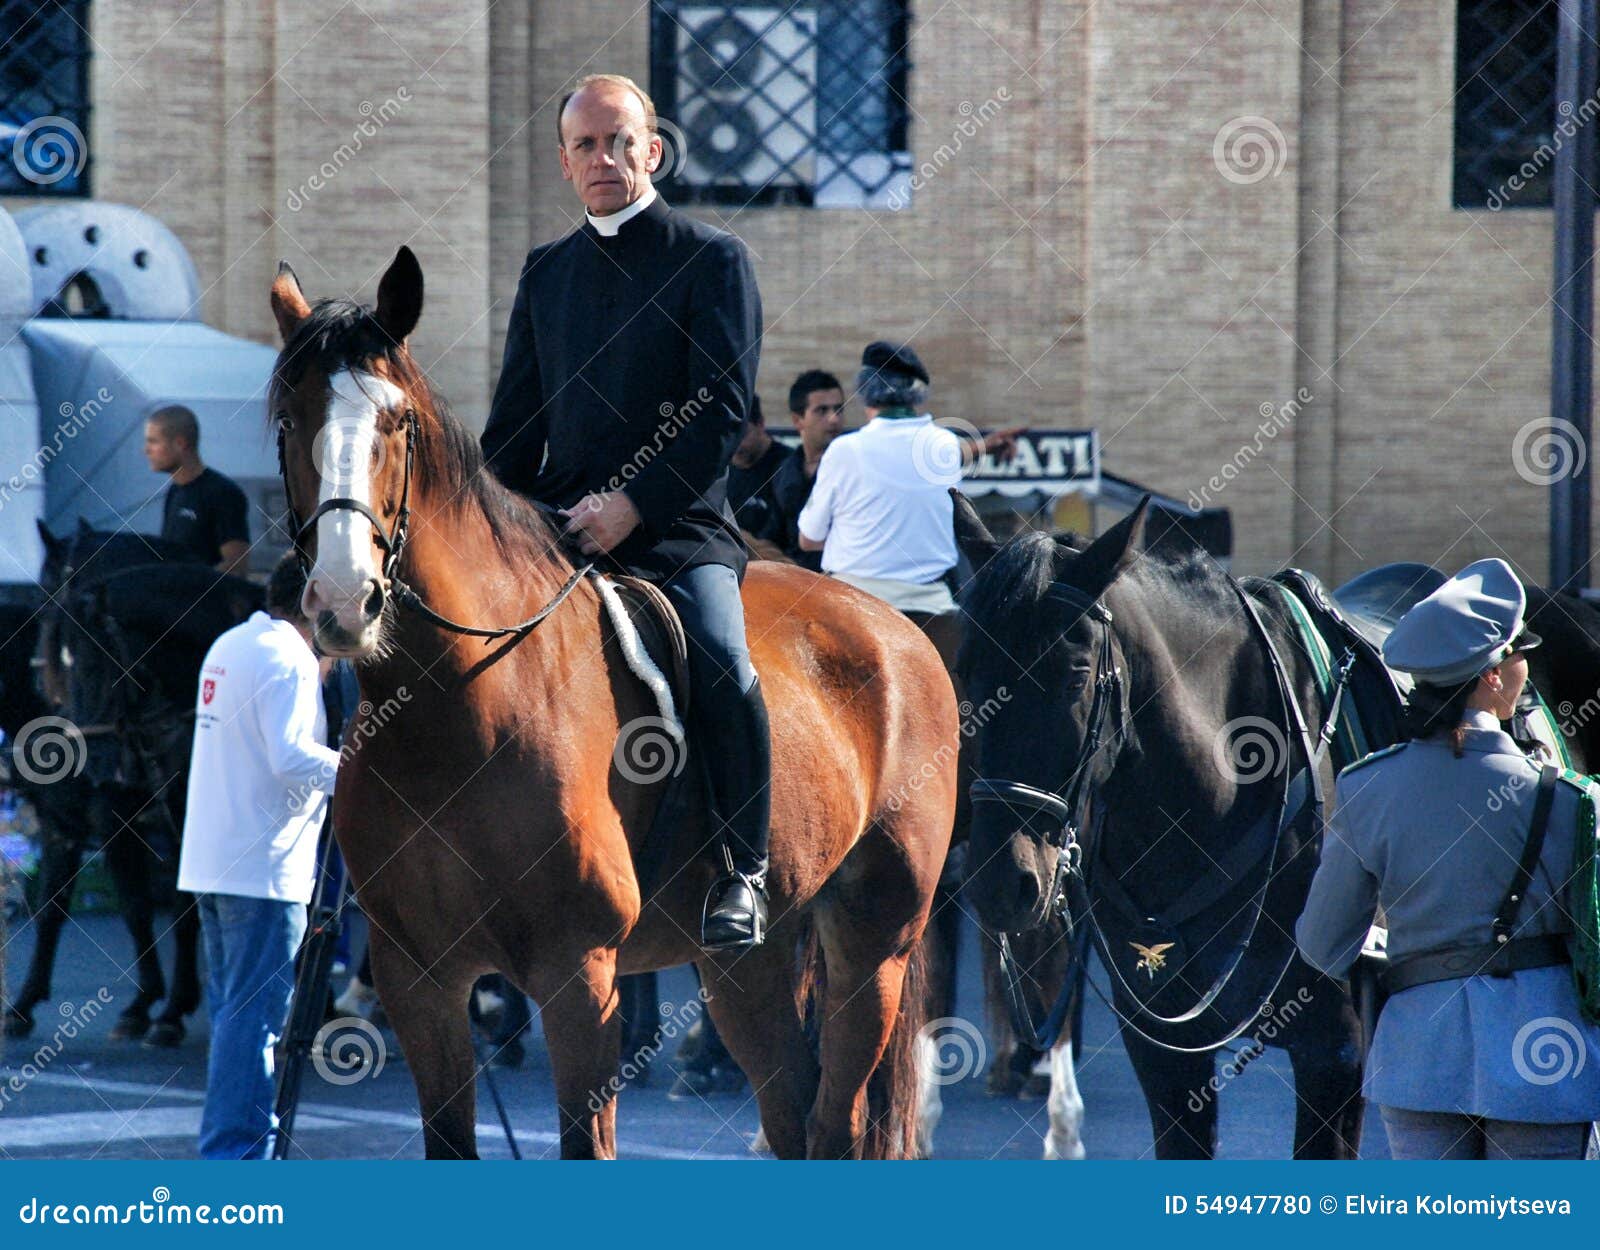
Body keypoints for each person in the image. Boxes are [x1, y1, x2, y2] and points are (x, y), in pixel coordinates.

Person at [480, 73, 769, 949]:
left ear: (652, 149)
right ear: (564, 163)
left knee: (721, 658)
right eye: (584, 146)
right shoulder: (546, 272)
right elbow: (514, 427)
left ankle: (743, 872)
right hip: (560, 537)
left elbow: (722, 411)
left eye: (618, 141)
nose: (602, 158)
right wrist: (499, 517)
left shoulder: (712, 258)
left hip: (679, 533)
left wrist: (634, 505)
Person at [1295, 557, 1600, 1160]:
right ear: (1491, 678)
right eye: (1520, 655)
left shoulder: (1365, 788)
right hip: (1545, 1058)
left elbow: (1321, 943)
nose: (1526, 669)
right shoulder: (1572, 799)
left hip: (1420, 1059)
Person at [177, 553, 341, 1159]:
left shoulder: (230, 644)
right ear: (315, 601)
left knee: (233, 1017)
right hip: (264, 869)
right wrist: (360, 774)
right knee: (256, 1023)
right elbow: (291, 755)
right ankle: (237, 1159)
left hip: (213, 860)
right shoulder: (292, 657)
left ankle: (231, 1151)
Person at [797, 341, 1020, 615]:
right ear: (918, 394)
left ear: (865, 392)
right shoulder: (944, 445)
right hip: (932, 602)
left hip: (853, 602)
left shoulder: (844, 449)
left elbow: (809, 539)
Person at [145, 404, 251, 573]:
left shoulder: (222, 493)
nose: (146, 450)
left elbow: (236, 566)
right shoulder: (174, 491)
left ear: (180, 443)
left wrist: (190, 590)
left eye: (153, 441)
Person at [769, 369, 845, 568]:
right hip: (795, 582)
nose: (834, 419)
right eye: (822, 410)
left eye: (838, 409)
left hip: (844, 580)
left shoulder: (854, 467)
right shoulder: (783, 470)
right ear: (797, 420)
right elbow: (774, 535)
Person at [725, 395, 792, 542]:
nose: (735, 444)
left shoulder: (789, 467)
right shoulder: (720, 471)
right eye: (727, 434)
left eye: (741, 434)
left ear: (760, 424)